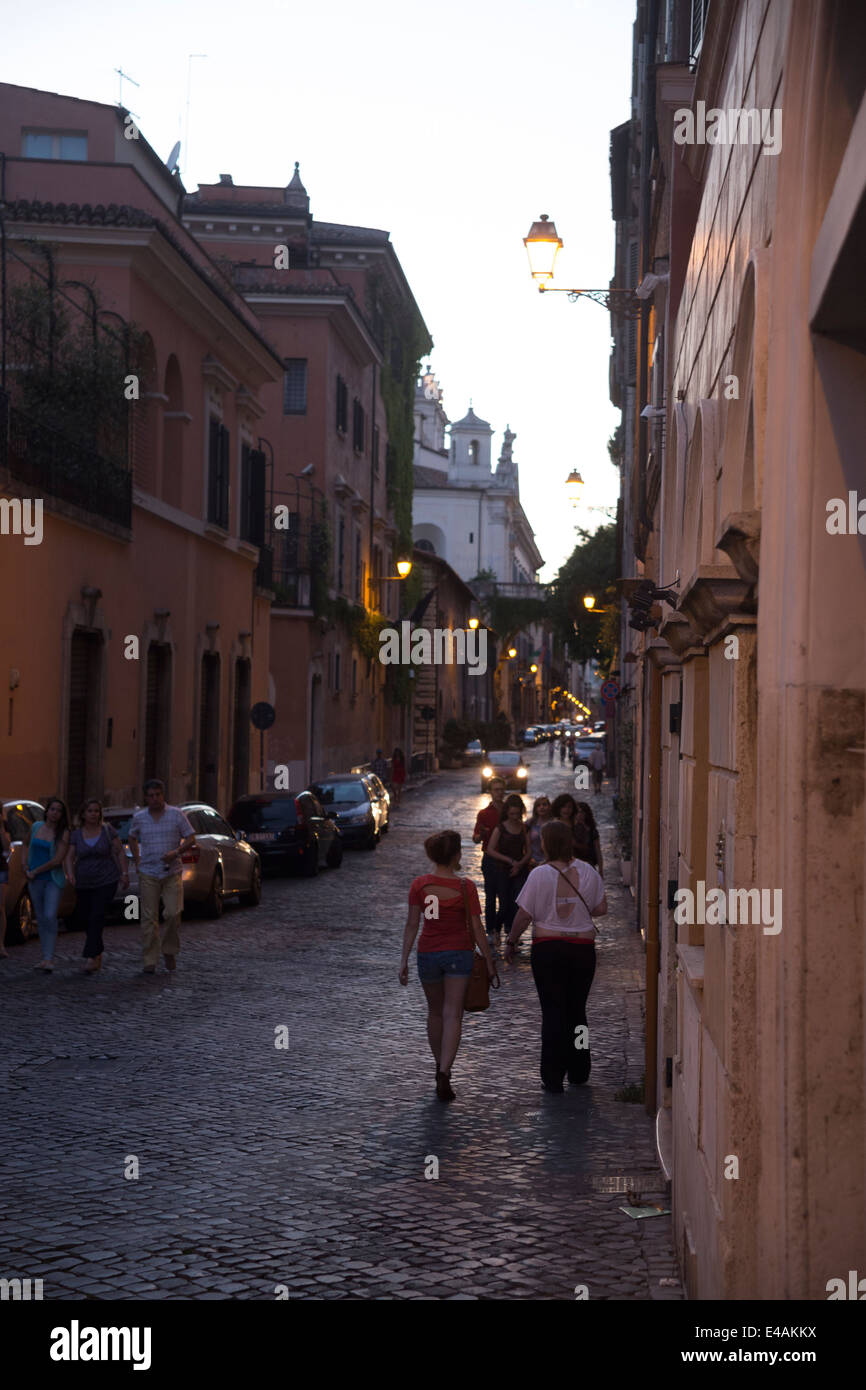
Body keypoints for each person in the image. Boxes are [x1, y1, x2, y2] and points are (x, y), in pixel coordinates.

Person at [504, 819, 607, 1091]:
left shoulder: (539, 874)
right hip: (583, 950)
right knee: (578, 1011)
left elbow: (525, 914)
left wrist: (511, 942)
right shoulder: (588, 872)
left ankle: (552, 1075)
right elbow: (600, 908)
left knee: (552, 1011)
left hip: (548, 949)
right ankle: (580, 1069)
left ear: (546, 843)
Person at [399, 829, 496, 1102]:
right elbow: (477, 928)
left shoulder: (419, 885)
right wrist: (489, 961)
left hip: (428, 953)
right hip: (458, 953)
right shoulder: (466, 887)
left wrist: (404, 959)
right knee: (453, 1013)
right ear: (455, 855)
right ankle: (445, 1071)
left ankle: (438, 1064)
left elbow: (412, 925)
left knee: (434, 1013)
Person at [128, 781, 195, 974]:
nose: (155, 798)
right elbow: (132, 836)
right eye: (151, 795)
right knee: (149, 918)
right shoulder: (139, 817)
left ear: (163, 795)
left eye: (158, 794)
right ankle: (150, 960)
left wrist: (176, 852)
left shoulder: (176, 814)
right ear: (146, 798)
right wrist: (137, 860)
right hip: (148, 871)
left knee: (173, 913)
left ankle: (169, 950)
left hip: (172, 871)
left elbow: (191, 837)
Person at [66, 799, 128, 974]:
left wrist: (124, 873)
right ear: (83, 814)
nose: (94, 814)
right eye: (90, 811)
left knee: (97, 915)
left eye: (96, 811)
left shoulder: (108, 831)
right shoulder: (76, 834)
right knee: (85, 917)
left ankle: (91, 956)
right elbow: (70, 856)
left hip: (106, 880)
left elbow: (119, 852)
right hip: (84, 881)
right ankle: (97, 950)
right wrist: (70, 874)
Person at [25, 797, 71, 972]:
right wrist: (24, 865)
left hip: (52, 878)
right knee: (41, 917)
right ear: (47, 811)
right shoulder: (36, 826)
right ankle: (45, 957)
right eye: (52, 809)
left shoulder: (63, 832)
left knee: (50, 915)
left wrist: (36, 871)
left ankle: (50, 957)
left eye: (59, 810)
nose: (55, 813)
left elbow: (58, 860)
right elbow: (25, 844)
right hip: (33, 879)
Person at [485, 794, 531, 943]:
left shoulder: (524, 828)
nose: (514, 817)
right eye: (511, 814)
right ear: (507, 812)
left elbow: (529, 851)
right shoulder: (501, 828)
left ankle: (512, 934)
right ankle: (496, 929)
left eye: (517, 814)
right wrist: (510, 861)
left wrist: (519, 864)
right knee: (504, 905)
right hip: (502, 870)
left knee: (517, 903)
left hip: (520, 870)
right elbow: (490, 850)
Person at [472, 777, 506, 939]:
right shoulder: (484, 813)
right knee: (491, 897)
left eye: (501, 789)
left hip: (507, 859)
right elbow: (476, 838)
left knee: (507, 898)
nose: (499, 792)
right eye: (496, 790)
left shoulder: (510, 811)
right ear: (491, 792)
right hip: (490, 861)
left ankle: (505, 929)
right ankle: (491, 931)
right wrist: (482, 834)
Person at [575, 801, 604, 877]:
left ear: (586, 814)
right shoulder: (571, 829)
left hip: (589, 865)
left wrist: (601, 870)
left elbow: (598, 851)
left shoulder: (592, 831)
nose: (579, 815)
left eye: (582, 812)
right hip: (575, 866)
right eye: (577, 812)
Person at [526, 796, 553, 868]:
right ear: (535, 808)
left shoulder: (554, 823)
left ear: (549, 807)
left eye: (544, 805)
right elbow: (527, 845)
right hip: (533, 861)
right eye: (538, 805)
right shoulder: (530, 823)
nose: (541, 807)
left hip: (551, 862)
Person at [0, 801, 11, 959]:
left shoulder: (4, 825)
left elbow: (7, 846)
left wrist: (1, 827)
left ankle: (0, 944)